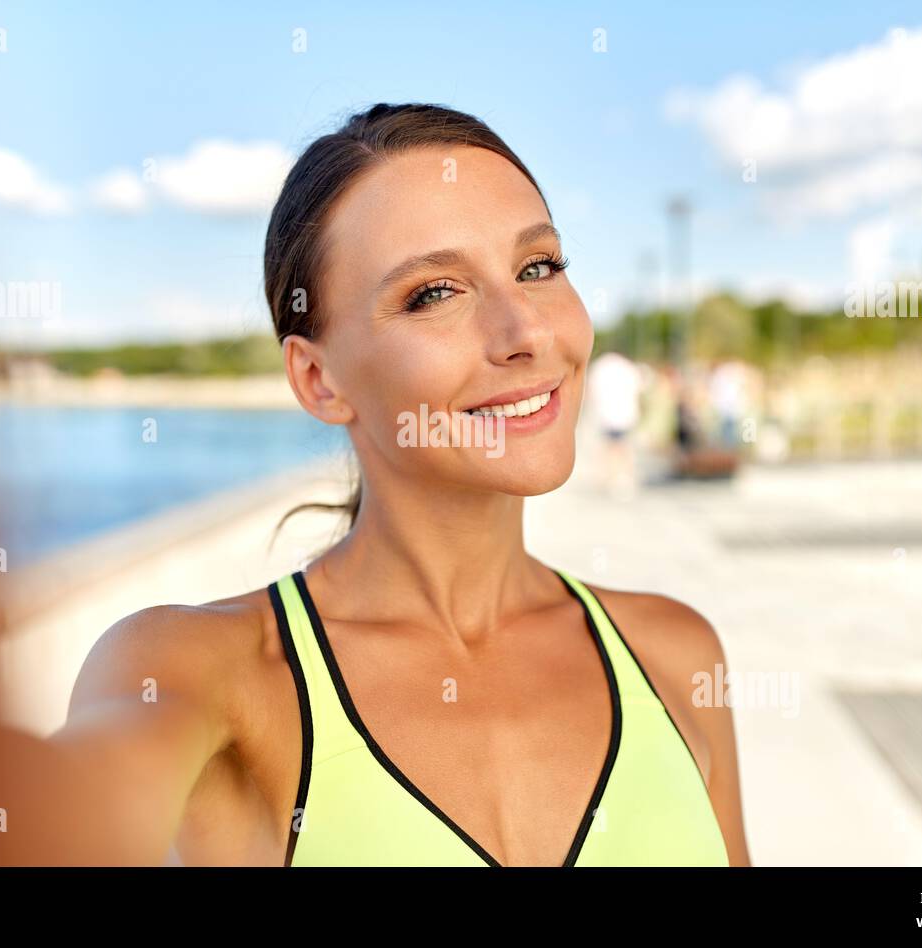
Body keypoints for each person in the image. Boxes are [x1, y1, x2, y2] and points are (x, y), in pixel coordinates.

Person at [67, 104, 750, 866]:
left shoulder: (675, 655)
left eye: (538, 267)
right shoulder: (199, 670)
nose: (528, 332)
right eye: (435, 293)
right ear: (319, 380)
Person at [587, 349, 642, 499]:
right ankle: (624, 478)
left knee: (608, 448)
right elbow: (638, 390)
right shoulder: (628, 367)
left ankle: (607, 478)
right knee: (624, 447)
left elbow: (591, 391)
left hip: (606, 413)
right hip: (625, 413)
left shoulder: (600, 367)